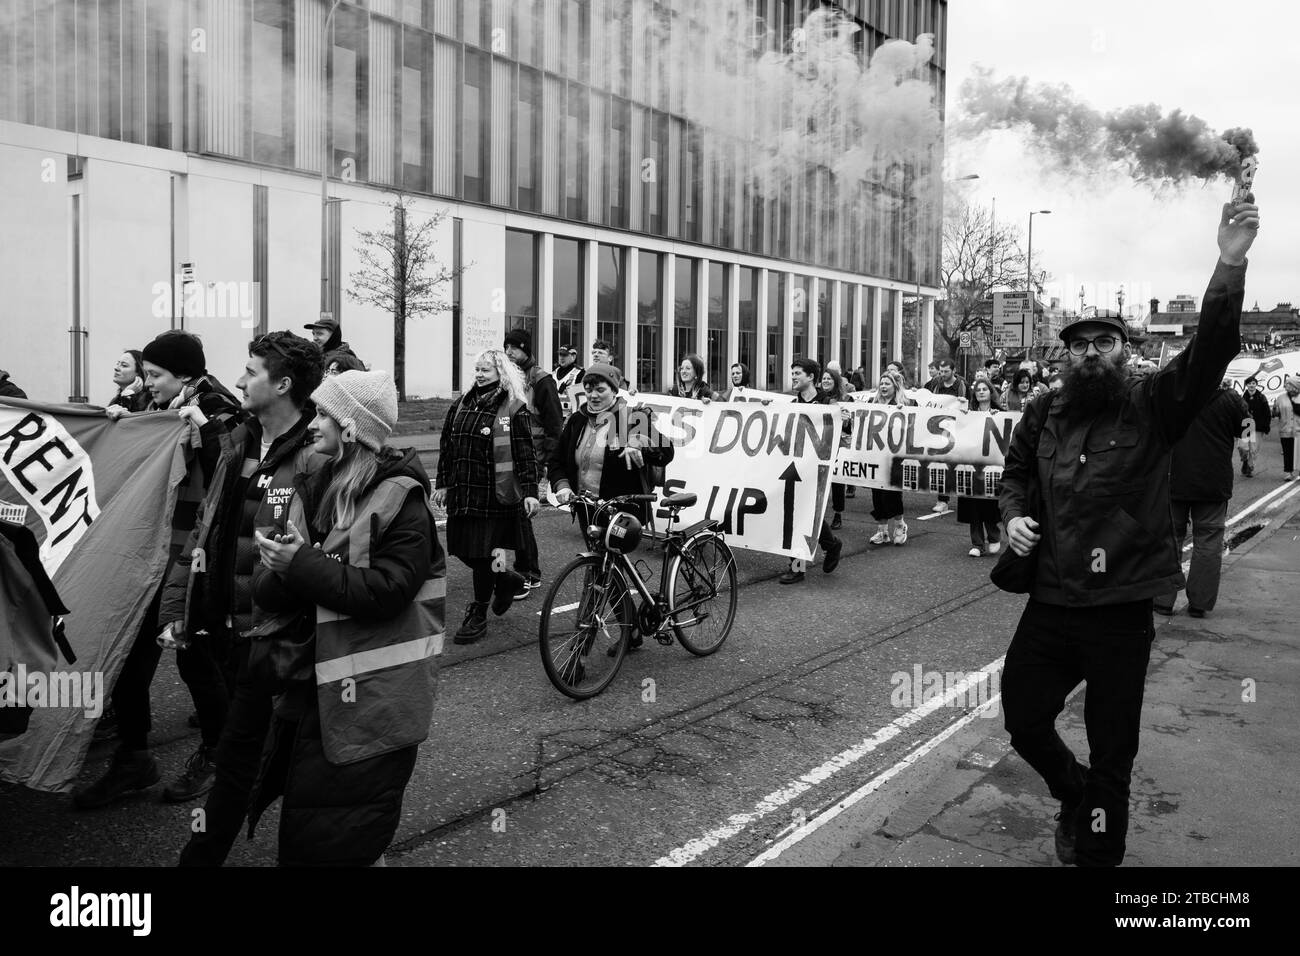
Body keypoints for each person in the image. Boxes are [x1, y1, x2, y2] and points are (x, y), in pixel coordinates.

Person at [998, 200, 1258, 867]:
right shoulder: (1044, 411)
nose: (1089, 354)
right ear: (1066, 356)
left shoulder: (1154, 405)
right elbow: (1016, 476)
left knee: (1114, 752)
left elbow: (1210, 353)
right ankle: (1072, 792)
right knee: (1024, 720)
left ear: (1125, 351)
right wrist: (1014, 515)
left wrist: (1228, 262)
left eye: (1103, 343)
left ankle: (1098, 851)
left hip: (1118, 613)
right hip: (1051, 603)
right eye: (1078, 345)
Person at [247, 368, 441, 866]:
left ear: (352, 427)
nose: (311, 423)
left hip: (372, 698)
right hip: (323, 684)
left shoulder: (402, 498)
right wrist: (279, 567)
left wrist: (301, 564)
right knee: (326, 824)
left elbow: (389, 592)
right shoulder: (325, 482)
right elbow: (293, 584)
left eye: (324, 414)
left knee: (344, 832)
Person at [171, 332, 327, 863]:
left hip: (279, 642)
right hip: (229, 632)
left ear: (282, 385)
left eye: (251, 371)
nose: (238, 380)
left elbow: (332, 556)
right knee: (246, 758)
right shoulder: (238, 441)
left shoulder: (317, 454)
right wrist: (180, 607)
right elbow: (204, 530)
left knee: (252, 763)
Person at [74, 330, 244, 809]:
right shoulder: (161, 403)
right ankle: (134, 757)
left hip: (197, 557)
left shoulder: (218, 407)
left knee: (196, 660)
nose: (147, 384)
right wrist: (120, 424)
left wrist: (202, 430)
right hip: (155, 552)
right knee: (130, 654)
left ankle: (217, 754)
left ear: (185, 376)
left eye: (155, 375)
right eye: (145, 374)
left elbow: (230, 475)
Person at [553, 363, 675, 652]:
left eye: (600, 389)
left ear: (614, 390)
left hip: (622, 511)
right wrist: (562, 486)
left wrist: (640, 445)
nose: (593, 395)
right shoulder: (577, 420)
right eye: (589, 389)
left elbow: (666, 450)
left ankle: (578, 655)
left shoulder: (631, 417)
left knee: (597, 576)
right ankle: (631, 632)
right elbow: (557, 460)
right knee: (608, 570)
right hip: (588, 509)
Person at [435, 349, 539, 645]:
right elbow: (447, 447)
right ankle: (505, 578)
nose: (479, 374)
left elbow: (525, 455)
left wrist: (531, 492)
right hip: (463, 491)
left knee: (483, 555)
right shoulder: (460, 405)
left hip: (494, 495)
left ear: (501, 374)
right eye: (478, 369)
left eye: (486, 370)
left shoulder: (513, 408)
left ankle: (478, 613)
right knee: (462, 549)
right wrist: (443, 483)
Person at [1153, 382, 1249, 620]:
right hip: (1213, 482)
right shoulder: (1230, 399)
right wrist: (1248, 448)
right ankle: (1199, 603)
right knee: (1208, 540)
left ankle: (1162, 601)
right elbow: (1248, 424)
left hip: (1173, 478)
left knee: (1168, 538)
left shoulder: (1172, 394)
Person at [503, 329, 564, 599]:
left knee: (521, 512)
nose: (509, 353)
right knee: (512, 511)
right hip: (509, 454)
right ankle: (522, 570)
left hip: (532, 455)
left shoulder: (541, 380)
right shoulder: (507, 377)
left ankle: (528, 572)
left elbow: (554, 424)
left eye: (514, 348)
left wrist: (550, 461)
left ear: (526, 350)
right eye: (506, 347)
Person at [778, 359, 843, 584]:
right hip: (794, 466)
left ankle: (802, 564)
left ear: (811, 377)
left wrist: (844, 420)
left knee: (804, 513)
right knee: (796, 513)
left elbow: (844, 430)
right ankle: (826, 547)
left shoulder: (828, 403)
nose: (793, 377)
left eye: (797, 373)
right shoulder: (790, 402)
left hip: (817, 468)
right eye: (792, 373)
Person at [867, 369, 913, 546]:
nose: (883, 386)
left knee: (891, 494)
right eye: (882, 383)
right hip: (876, 455)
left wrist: (904, 412)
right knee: (876, 493)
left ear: (895, 387)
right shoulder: (873, 403)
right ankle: (882, 531)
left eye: (887, 383)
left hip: (894, 457)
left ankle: (900, 525)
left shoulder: (906, 403)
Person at [959, 379, 1004, 556]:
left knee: (989, 502)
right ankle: (977, 544)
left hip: (991, 465)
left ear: (990, 392)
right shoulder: (968, 413)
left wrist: (998, 417)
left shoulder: (1000, 413)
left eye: (985, 389)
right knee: (973, 504)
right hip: (971, 464)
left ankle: (993, 536)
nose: (981, 392)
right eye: (978, 390)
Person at [925, 359, 968, 514]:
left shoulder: (961, 385)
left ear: (953, 370)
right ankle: (942, 499)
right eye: (941, 371)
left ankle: (956, 494)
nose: (942, 374)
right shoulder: (936, 384)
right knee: (941, 463)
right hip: (939, 429)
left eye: (946, 371)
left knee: (954, 464)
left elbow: (967, 407)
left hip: (956, 429)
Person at [820, 368, 851, 530]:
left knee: (837, 481)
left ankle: (838, 513)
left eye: (829, 379)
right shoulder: (818, 398)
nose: (825, 381)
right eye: (823, 378)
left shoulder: (846, 399)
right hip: (820, 445)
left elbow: (851, 426)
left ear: (836, 381)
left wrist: (845, 421)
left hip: (839, 445)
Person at [1239, 376, 1271, 476]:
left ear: (1256, 384)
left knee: (1253, 449)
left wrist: (1266, 425)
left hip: (1257, 426)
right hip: (1246, 425)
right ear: (1246, 385)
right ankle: (1244, 461)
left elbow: (1267, 413)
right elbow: (1237, 412)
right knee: (1242, 447)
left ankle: (1249, 467)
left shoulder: (1262, 397)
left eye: (1253, 383)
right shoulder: (1241, 398)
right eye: (1249, 383)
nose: (1251, 385)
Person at [1272, 376, 1299, 480]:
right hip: (1285, 429)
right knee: (1288, 452)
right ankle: (1288, 472)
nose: (1285, 386)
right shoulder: (1280, 397)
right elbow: (1275, 414)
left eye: (1287, 384)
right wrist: (1274, 409)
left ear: (1294, 386)